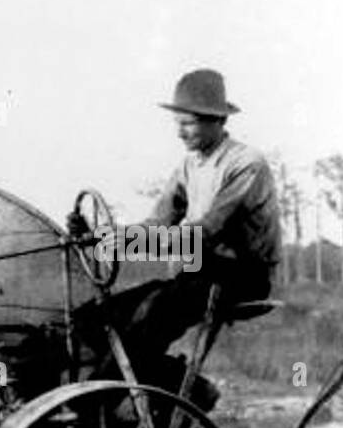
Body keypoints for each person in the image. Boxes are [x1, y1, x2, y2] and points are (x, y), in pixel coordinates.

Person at [70, 68, 282, 394]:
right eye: (177, 124)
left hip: (241, 276)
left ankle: (92, 407)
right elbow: (157, 224)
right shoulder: (189, 165)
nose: (179, 133)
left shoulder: (246, 163)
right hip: (197, 272)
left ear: (216, 120)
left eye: (187, 124)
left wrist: (125, 241)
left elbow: (204, 233)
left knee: (147, 323)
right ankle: (187, 389)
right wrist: (102, 237)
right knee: (92, 319)